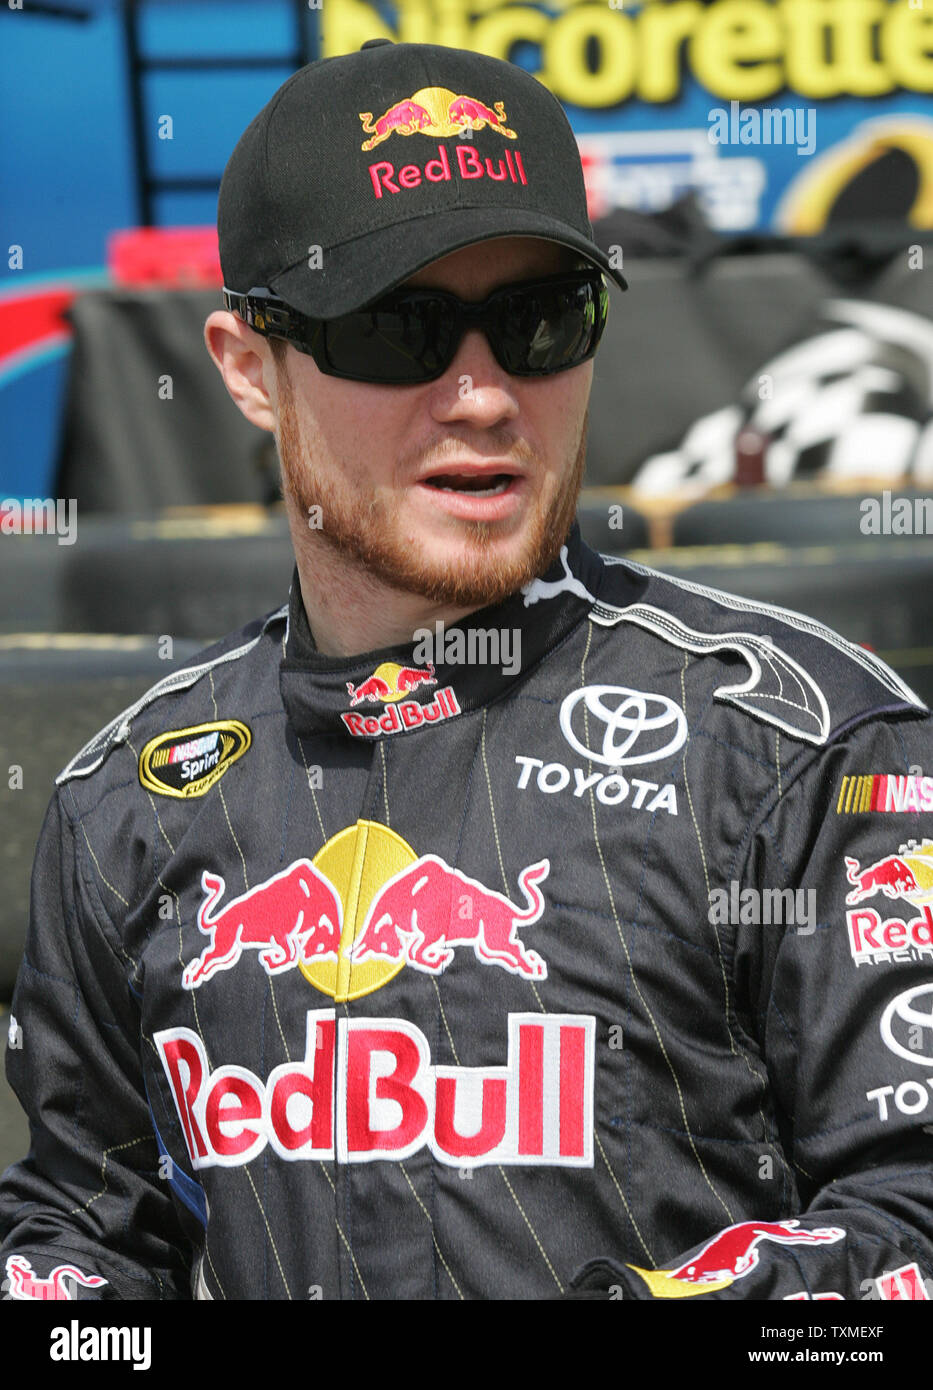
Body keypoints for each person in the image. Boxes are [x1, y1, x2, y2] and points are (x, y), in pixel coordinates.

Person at [2, 39, 932, 1304]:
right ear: (243, 365)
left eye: (542, 319)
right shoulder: (128, 803)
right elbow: (78, 1233)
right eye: (402, 329)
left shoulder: (807, 743)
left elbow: (914, 1209)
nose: (485, 395)